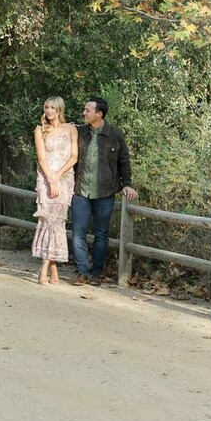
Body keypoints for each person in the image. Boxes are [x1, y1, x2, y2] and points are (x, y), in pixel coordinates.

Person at [71, 97, 138, 286]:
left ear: (99, 114)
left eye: (87, 110)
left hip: (105, 192)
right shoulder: (79, 132)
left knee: (101, 234)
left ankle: (96, 273)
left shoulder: (115, 134)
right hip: (81, 191)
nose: (84, 113)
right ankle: (82, 271)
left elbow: (124, 161)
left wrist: (128, 184)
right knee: (78, 232)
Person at [31, 97, 78, 285]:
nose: (49, 111)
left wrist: (58, 176)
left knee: (57, 222)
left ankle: (48, 268)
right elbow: (41, 159)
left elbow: (74, 156)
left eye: (52, 107)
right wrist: (51, 180)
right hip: (45, 179)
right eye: (47, 107)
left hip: (65, 179)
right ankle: (49, 268)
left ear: (59, 109)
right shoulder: (40, 130)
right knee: (46, 221)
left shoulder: (71, 129)